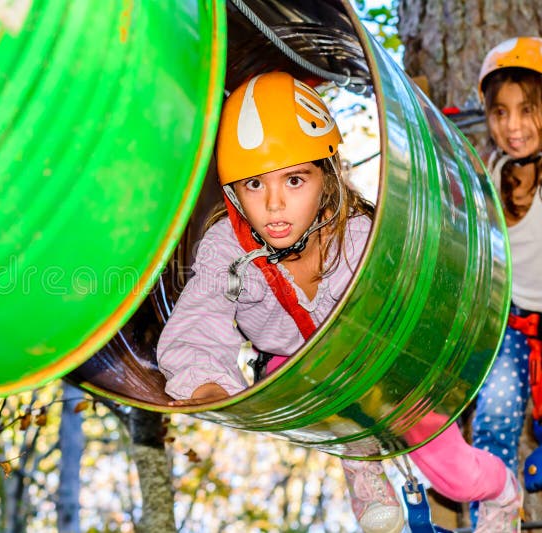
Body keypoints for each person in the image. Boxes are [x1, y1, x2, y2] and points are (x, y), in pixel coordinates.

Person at [157, 70, 522, 532]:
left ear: (325, 175)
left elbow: (417, 307)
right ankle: (359, 452)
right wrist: (212, 387)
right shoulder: (228, 251)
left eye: (294, 181)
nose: (273, 205)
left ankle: (503, 492)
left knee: (456, 478)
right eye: (254, 184)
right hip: (298, 369)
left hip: (386, 363)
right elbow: (200, 319)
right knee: (304, 386)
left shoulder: (357, 237)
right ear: (232, 190)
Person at [470, 36, 542, 524]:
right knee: (493, 416)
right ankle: (492, 514)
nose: (513, 127)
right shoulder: (492, 172)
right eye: (500, 112)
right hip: (511, 324)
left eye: (528, 110)